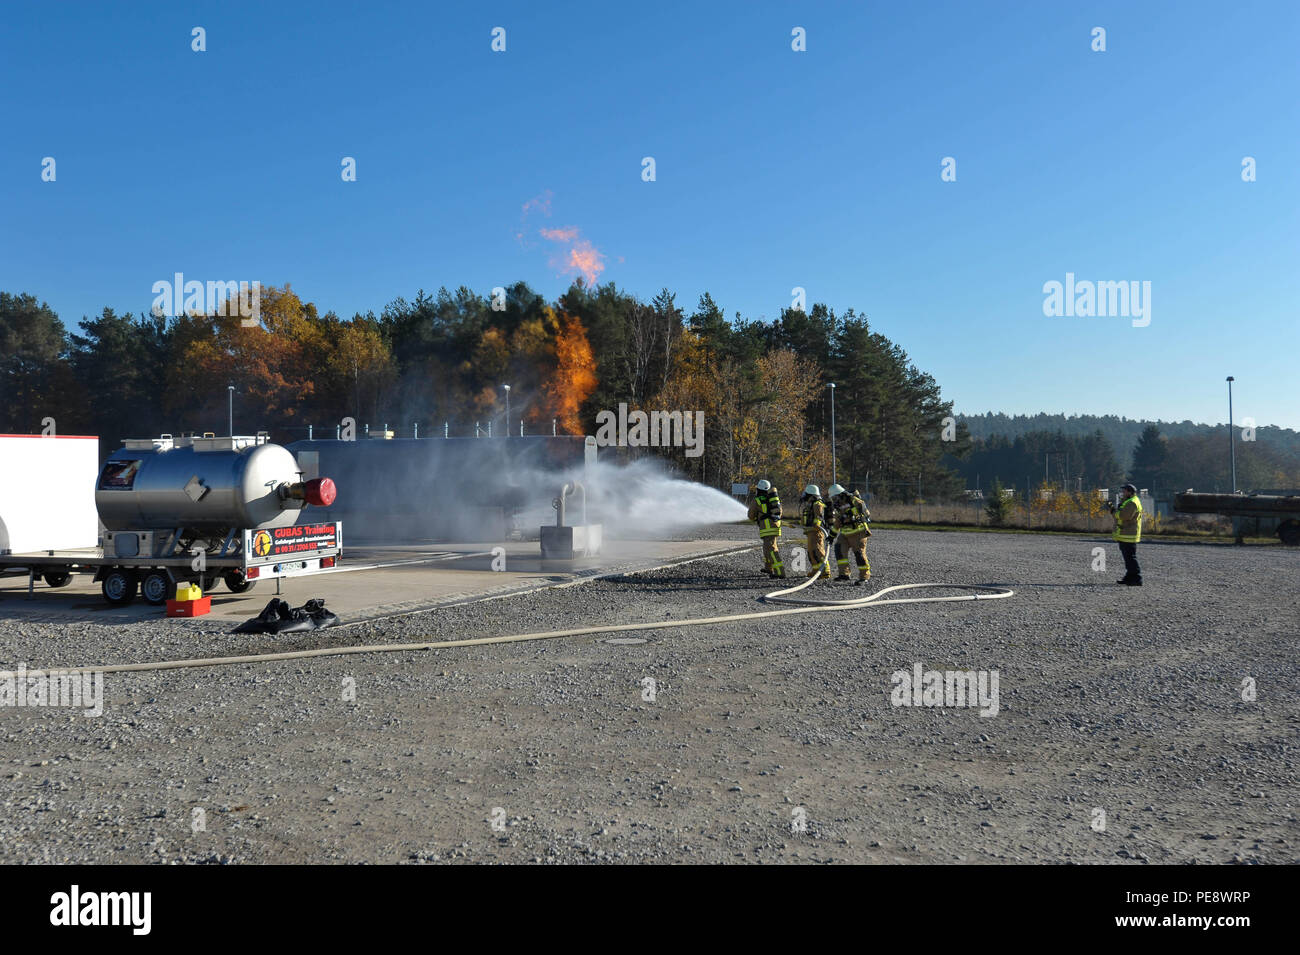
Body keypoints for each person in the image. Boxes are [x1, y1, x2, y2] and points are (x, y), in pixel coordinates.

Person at [828, 483, 872, 584]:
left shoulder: (853, 500)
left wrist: (850, 513)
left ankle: (864, 577)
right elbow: (838, 521)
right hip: (845, 533)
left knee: (859, 554)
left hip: (858, 532)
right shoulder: (838, 506)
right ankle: (844, 574)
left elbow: (865, 511)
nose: (834, 500)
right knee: (839, 549)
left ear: (840, 494)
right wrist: (831, 536)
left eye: (835, 497)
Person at [747, 480, 785, 578]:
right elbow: (779, 513)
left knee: (772, 550)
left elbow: (751, 515)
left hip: (767, 529)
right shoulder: (774, 500)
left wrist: (758, 517)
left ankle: (780, 572)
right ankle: (769, 568)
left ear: (759, 489)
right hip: (775, 527)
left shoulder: (757, 500)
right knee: (767, 548)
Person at [1110, 483, 1144, 586]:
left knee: (1130, 558)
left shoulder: (1132, 503)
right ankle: (1129, 577)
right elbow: (1121, 514)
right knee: (1128, 558)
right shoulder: (1128, 501)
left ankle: (1137, 578)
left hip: (1128, 535)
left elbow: (1124, 516)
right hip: (1125, 534)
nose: (1122, 493)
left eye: (1124, 491)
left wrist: (1113, 511)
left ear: (1130, 492)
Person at [800, 484, 832, 580]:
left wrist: (817, 524)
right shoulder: (810, 503)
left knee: (818, 550)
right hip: (811, 531)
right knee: (811, 551)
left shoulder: (818, 503)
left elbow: (819, 516)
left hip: (817, 531)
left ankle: (825, 570)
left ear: (811, 494)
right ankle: (816, 570)